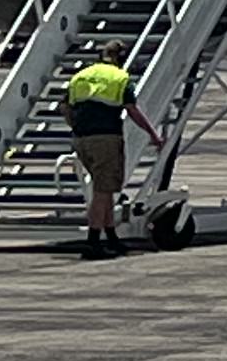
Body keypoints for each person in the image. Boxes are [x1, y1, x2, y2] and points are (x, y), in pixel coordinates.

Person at [63, 54, 160, 259]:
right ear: (121, 59)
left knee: (104, 189)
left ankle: (111, 237)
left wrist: (76, 126)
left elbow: (65, 106)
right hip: (105, 139)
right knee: (101, 191)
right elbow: (132, 110)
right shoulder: (119, 78)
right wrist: (153, 134)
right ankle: (93, 242)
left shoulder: (81, 76)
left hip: (82, 140)